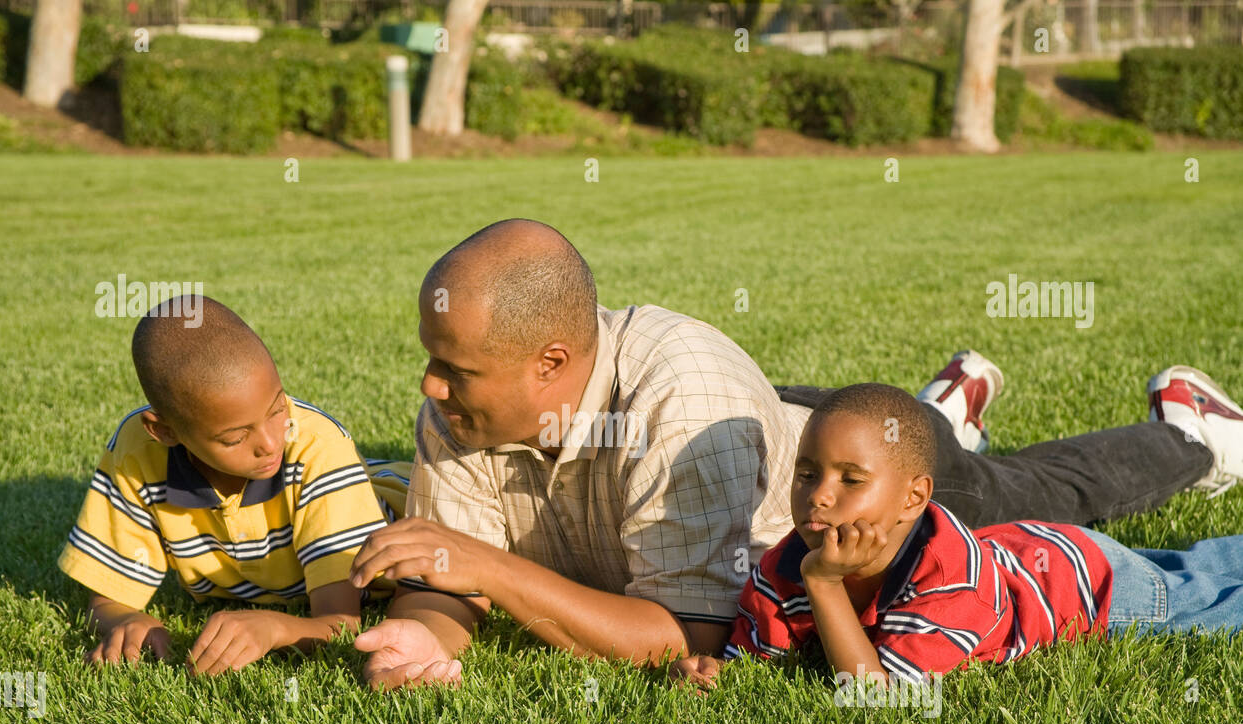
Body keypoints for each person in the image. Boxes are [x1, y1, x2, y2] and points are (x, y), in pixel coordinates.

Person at [347, 218, 1238, 690]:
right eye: (435, 361)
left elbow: (682, 636)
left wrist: (484, 567)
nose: (428, 387)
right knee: (862, 437)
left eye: (451, 369)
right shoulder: (470, 401)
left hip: (842, 504)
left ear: (549, 365)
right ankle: (939, 414)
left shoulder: (676, 402)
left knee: (1043, 494)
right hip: (796, 433)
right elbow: (447, 573)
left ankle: (1191, 435)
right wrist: (424, 635)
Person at [672, 382, 1242, 692]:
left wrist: (823, 587)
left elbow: (879, 699)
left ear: (914, 498)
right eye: (806, 474)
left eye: (851, 480)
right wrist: (717, 670)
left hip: (1088, 586)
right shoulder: (784, 564)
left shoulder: (948, 582)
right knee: (1190, 566)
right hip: (1022, 548)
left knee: (1203, 595)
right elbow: (757, 652)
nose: (818, 496)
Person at [57, 296, 411, 673]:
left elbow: (340, 624)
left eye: (278, 410)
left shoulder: (317, 448)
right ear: (164, 431)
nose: (272, 443)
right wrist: (125, 621)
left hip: (396, 507)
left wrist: (276, 629)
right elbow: (108, 601)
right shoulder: (136, 452)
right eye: (234, 438)